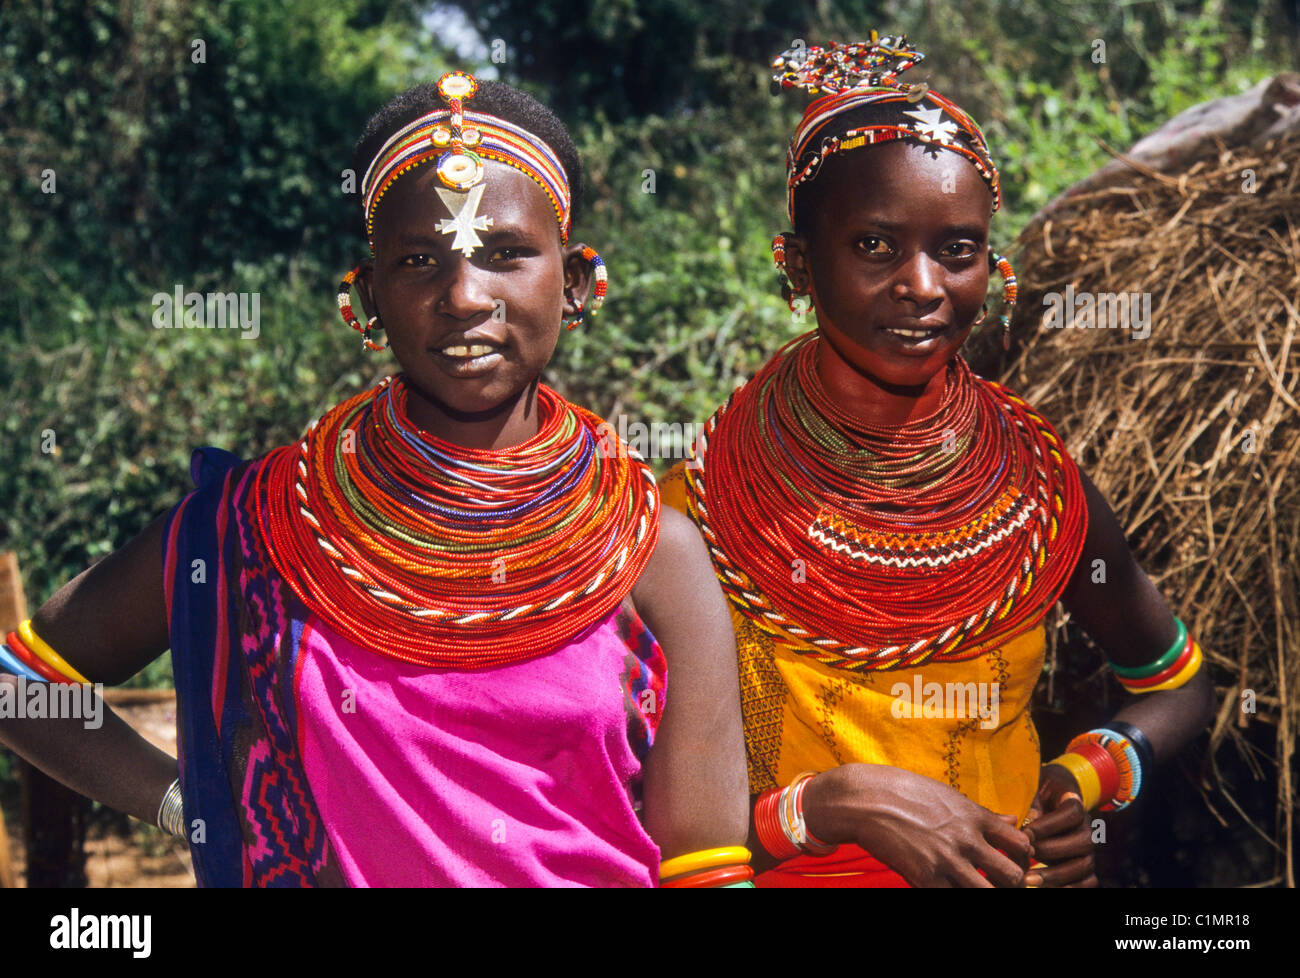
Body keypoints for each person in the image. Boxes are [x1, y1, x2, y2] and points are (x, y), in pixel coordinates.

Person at [0, 71, 750, 888]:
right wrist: (199, 808)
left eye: (505, 255)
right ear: (365, 299)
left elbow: (706, 870)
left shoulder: (651, 549)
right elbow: (21, 688)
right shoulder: (267, 523)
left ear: (574, 282)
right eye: (419, 260)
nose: (464, 296)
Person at [658, 35, 1216, 888]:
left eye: (956, 250)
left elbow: (1175, 684)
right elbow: (632, 798)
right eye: (875, 247)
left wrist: (1084, 783)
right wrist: (830, 805)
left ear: (990, 270)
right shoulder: (697, 510)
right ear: (799, 265)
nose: (922, 284)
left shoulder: (1035, 487)